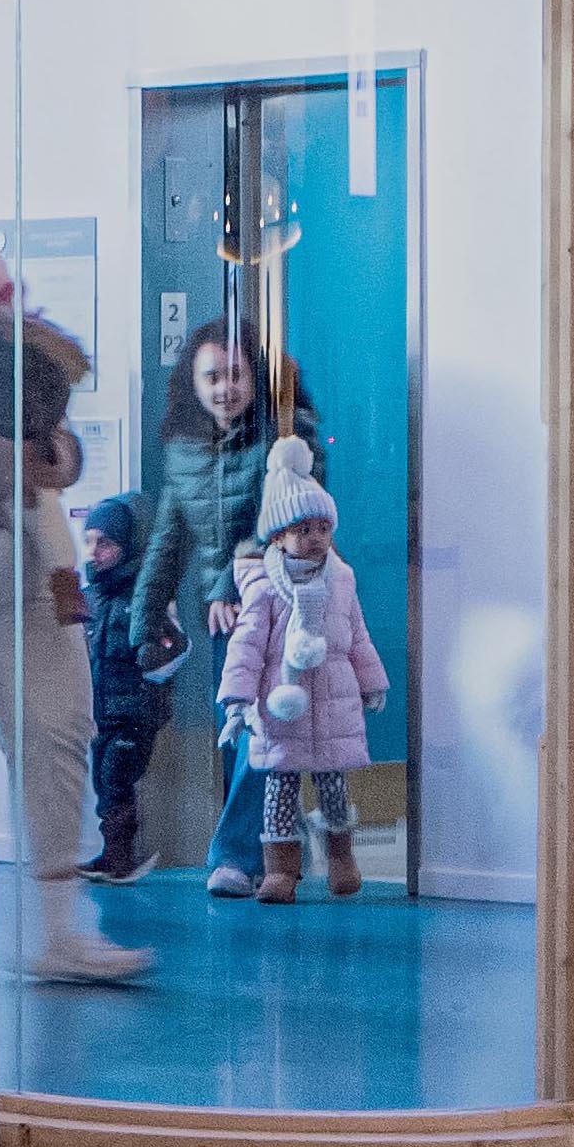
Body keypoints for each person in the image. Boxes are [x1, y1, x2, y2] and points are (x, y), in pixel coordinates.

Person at [0, 270, 152, 986]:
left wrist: (43, 451)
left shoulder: (19, 349)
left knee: (59, 735)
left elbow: (59, 457)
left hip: (33, 576)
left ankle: (61, 932)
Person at [125, 319, 325, 882]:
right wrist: (142, 621)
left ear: (256, 378)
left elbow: (288, 518)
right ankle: (279, 840)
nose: (224, 388)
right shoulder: (183, 449)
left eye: (235, 375)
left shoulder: (289, 437)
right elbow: (171, 535)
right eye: (211, 376)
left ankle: (235, 856)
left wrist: (222, 586)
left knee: (261, 729)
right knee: (242, 737)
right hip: (226, 620)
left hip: (284, 604)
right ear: (191, 382)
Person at [218, 446, 387, 901]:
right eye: (302, 529)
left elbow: (357, 635)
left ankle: (341, 859)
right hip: (283, 705)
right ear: (277, 536)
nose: (315, 538)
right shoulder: (263, 587)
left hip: (332, 705)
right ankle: (281, 871)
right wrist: (237, 698)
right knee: (279, 792)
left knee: (334, 790)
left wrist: (372, 681)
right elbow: (247, 644)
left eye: (322, 528)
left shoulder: (342, 579)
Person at [79, 480, 166, 880]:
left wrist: (154, 658)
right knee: (102, 781)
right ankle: (111, 851)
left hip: (133, 711)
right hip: (99, 710)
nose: (95, 552)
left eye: (106, 543)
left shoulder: (146, 596)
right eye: (90, 541)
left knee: (116, 780)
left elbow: (173, 649)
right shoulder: (90, 597)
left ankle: (120, 854)